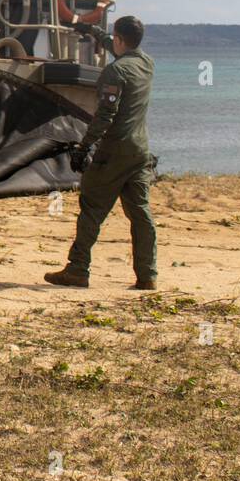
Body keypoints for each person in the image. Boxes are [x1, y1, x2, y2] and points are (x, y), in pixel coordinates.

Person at [45, 15, 157, 290]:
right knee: (140, 214)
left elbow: (105, 116)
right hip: (140, 152)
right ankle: (147, 275)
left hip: (113, 152)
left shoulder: (114, 72)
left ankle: (78, 270)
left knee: (92, 209)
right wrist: (94, 31)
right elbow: (119, 47)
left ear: (119, 39)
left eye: (113, 38)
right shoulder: (146, 63)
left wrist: (83, 148)